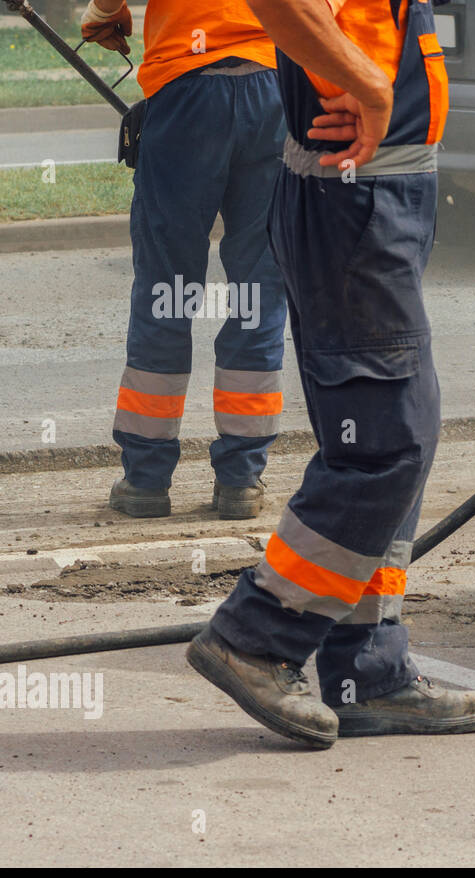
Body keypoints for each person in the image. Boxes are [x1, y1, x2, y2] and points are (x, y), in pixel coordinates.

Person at [183, 0, 475, 749]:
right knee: (388, 444)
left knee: (392, 438)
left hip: (378, 196)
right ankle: (255, 637)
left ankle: (368, 672)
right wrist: (372, 85)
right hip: (354, 202)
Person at [83, 0, 288, 520]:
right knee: (257, 294)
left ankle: (147, 481)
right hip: (275, 83)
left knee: (165, 291)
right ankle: (241, 479)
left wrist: (103, 12)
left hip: (187, 89)